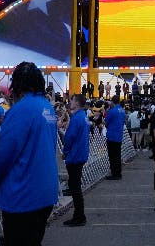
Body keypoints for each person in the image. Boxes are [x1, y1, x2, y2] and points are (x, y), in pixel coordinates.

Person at [0, 62, 59, 246]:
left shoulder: (20, 110)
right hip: (45, 191)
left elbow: (4, 153)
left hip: (23, 194)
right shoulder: (47, 108)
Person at [62, 94, 89, 227]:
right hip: (81, 154)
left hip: (75, 155)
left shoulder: (76, 118)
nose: (70, 102)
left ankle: (79, 216)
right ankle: (79, 215)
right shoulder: (83, 116)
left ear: (77, 103)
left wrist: (65, 152)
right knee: (75, 186)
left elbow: (69, 137)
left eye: (71, 100)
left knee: (75, 187)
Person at [105, 98, 126, 179]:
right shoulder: (122, 110)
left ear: (113, 102)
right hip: (119, 135)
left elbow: (106, 123)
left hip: (112, 135)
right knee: (117, 155)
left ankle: (114, 174)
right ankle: (118, 173)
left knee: (112, 156)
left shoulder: (112, 111)